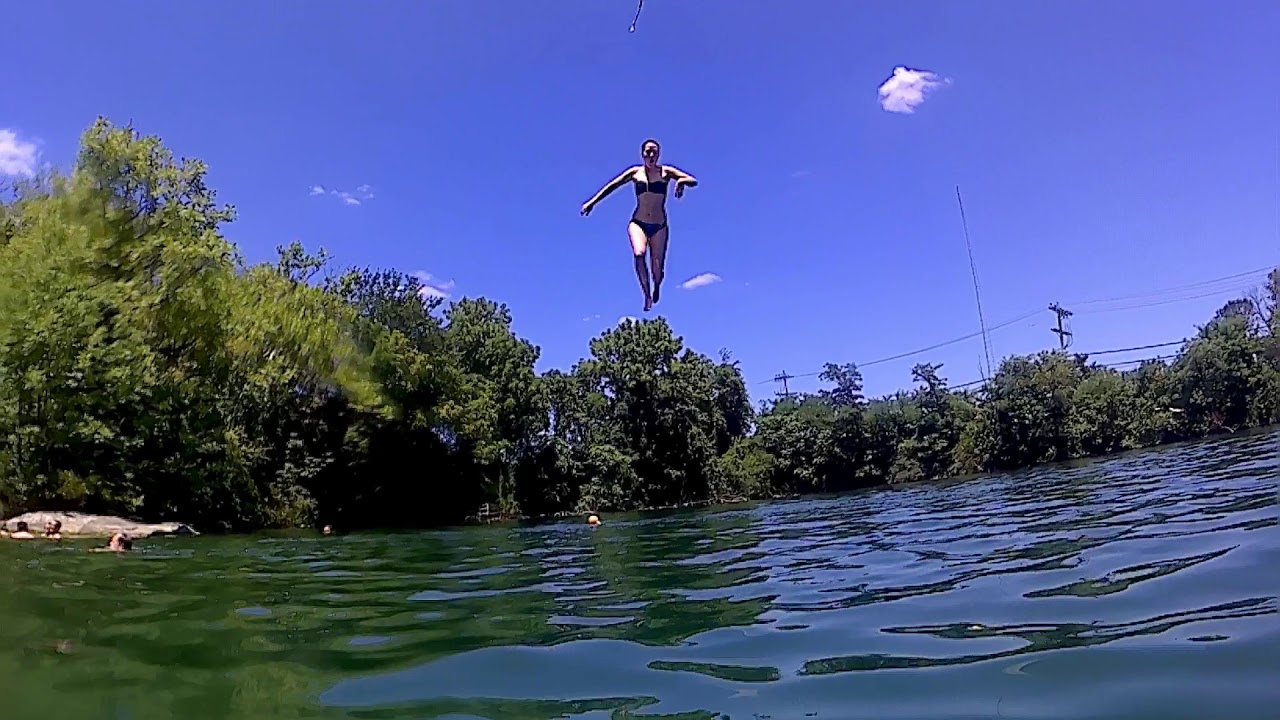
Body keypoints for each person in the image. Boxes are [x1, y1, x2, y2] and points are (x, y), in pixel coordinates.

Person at [581, 139, 698, 312]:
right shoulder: (635, 173)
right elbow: (612, 186)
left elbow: (693, 180)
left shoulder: (666, 171)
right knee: (639, 254)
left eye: (654, 152)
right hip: (639, 223)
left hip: (659, 226)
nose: (651, 155)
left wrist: (681, 182)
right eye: (648, 151)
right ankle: (647, 295)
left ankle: (657, 284)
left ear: (658, 154)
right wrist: (592, 202)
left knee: (657, 269)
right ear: (642, 154)